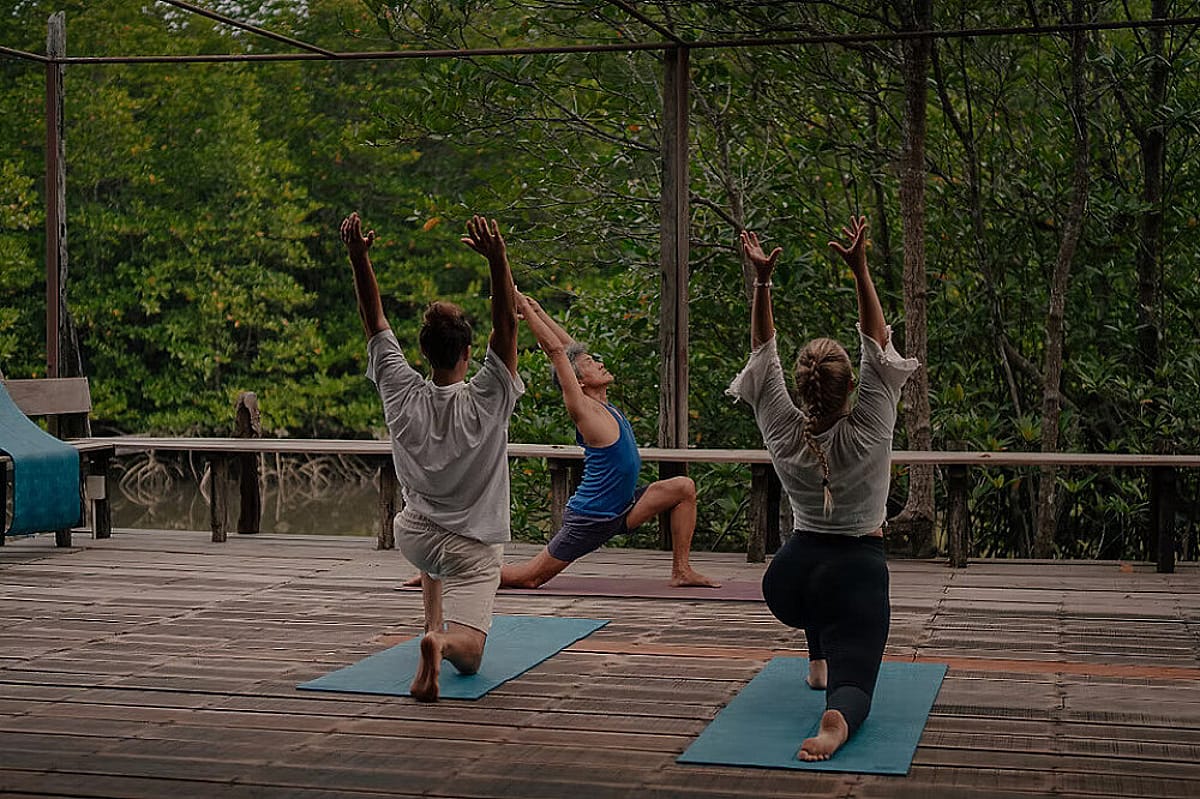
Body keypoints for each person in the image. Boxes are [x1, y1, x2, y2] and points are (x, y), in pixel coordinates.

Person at [727, 215, 919, 761]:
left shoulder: (782, 428)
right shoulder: (871, 424)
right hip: (855, 572)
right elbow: (878, 344)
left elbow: (763, 356)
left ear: (804, 386)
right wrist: (860, 270)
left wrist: (762, 283)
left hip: (789, 580)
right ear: (851, 387)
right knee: (854, 686)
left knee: (823, 603)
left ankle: (816, 663)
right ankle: (834, 719)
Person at [341, 211, 524, 703]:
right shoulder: (488, 397)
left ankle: (429, 619)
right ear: (468, 354)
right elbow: (506, 325)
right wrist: (498, 259)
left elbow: (374, 321)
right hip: (470, 548)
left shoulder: (400, 392)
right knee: (471, 654)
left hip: (414, 537)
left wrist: (359, 259)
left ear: (422, 352)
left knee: (433, 540)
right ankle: (439, 638)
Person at [500, 290, 720, 589]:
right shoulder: (584, 410)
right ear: (579, 381)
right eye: (591, 363)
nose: (599, 363)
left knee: (683, 487)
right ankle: (454, 574)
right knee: (530, 578)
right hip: (592, 516)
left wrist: (537, 311)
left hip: (624, 509)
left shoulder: (604, 404)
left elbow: (566, 349)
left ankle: (681, 570)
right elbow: (555, 353)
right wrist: (523, 305)